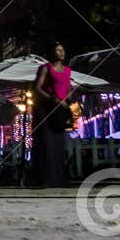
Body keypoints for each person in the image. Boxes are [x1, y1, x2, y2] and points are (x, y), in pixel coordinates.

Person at [31, 42, 73, 188]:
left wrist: (69, 99)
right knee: (47, 144)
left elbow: (67, 89)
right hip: (47, 109)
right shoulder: (45, 68)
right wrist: (53, 99)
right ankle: (45, 179)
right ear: (52, 53)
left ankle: (59, 179)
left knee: (59, 145)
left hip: (61, 110)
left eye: (63, 50)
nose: (61, 53)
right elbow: (37, 88)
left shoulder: (68, 70)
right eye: (58, 50)